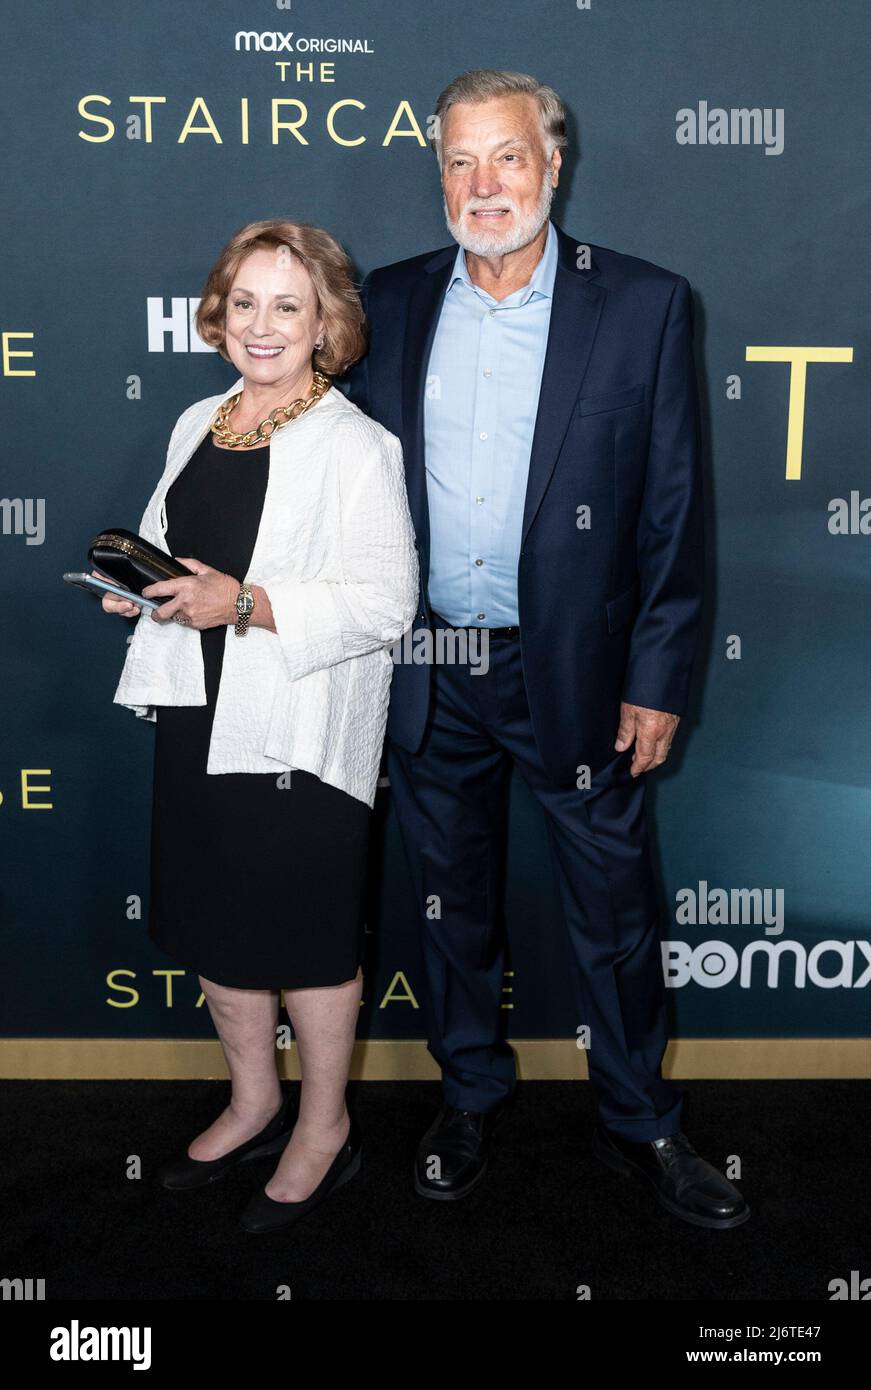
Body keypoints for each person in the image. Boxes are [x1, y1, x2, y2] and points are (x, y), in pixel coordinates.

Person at [346, 69, 750, 1228]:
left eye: (507, 157)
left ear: (552, 164)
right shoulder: (392, 301)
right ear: (439, 173)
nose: (483, 185)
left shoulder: (640, 303)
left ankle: (642, 1122)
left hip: (576, 674)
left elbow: (675, 507)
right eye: (460, 162)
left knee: (612, 912)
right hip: (429, 670)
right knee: (448, 903)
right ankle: (466, 1094)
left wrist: (658, 675)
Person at [100, 219, 418, 1233]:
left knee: (305, 938)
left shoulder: (359, 446)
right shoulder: (200, 419)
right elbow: (170, 553)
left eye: (289, 304)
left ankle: (322, 1125)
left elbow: (383, 603)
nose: (263, 324)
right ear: (219, 315)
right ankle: (253, 1099)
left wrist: (240, 603)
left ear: (326, 322)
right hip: (197, 716)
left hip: (297, 737)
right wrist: (141, 591)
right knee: (213, 924)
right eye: (245, 303)